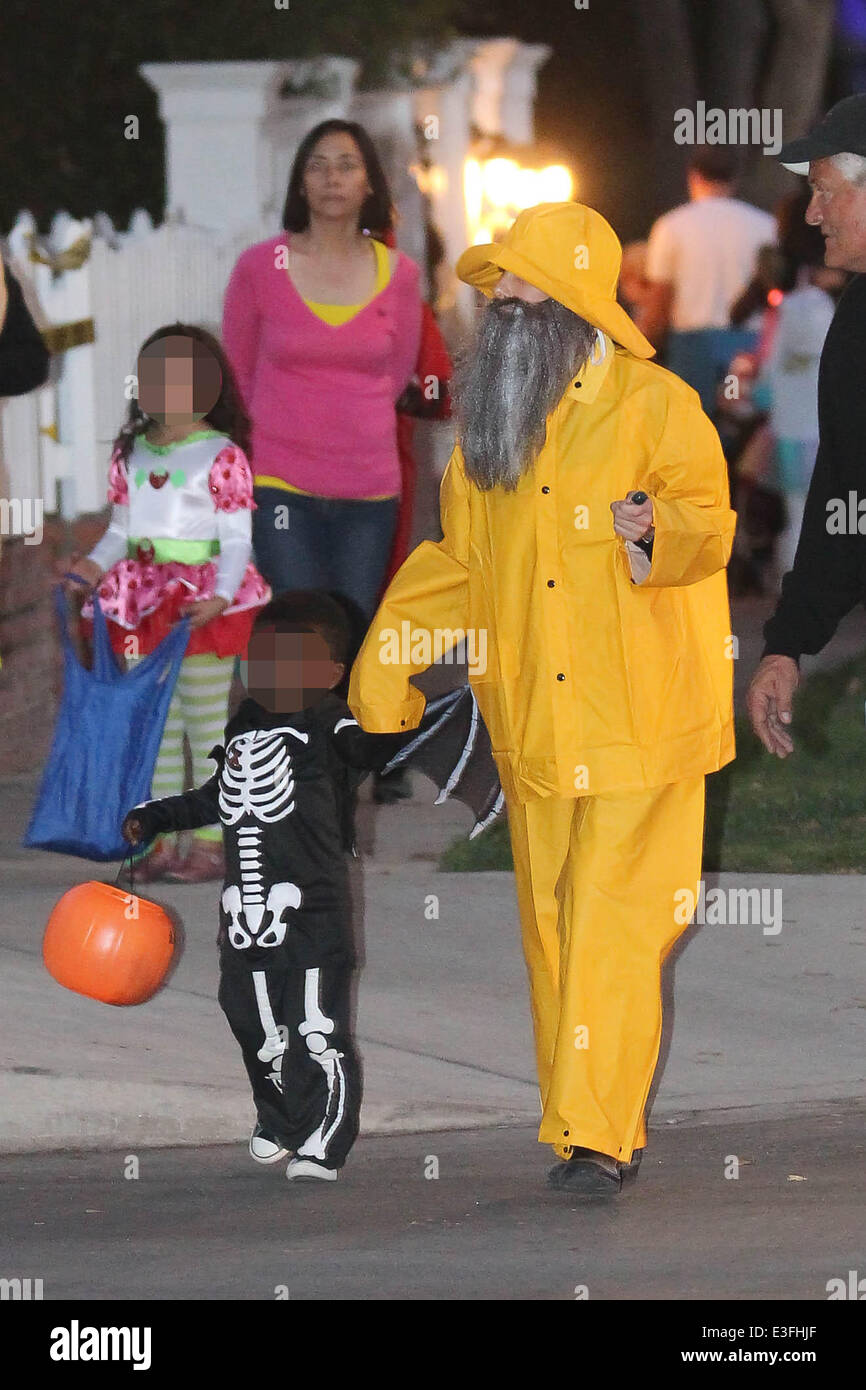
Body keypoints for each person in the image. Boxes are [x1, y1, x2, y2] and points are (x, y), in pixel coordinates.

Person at [348, 201, 736, 1194]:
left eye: (519, 285)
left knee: (610, 922)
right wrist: (385, 670)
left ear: (570, 299)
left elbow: (710, 525)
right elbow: (458, 566)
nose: (501, 303)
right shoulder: (487, 431)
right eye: (495, 287)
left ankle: (595, 1130)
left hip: (642, 723)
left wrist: (655, 528)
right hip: (534, 725)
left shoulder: (654, 405)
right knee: (554, 926)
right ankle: (578, 1120)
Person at [120, 589, 436, 1181]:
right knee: (250, 1016)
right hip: (242, 913)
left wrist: (402, 707)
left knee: (317, 1027)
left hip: (312, 907)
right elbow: (217, 796)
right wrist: (157, 817)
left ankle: (326, 1138)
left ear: (330, 672)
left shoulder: (330, 718)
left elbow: (370, 749)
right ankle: (281, 1118)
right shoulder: (246, 722)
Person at [222, 119, 423, 804]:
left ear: (369, 181)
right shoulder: (259, 268)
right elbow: (240, 373)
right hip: (282, 479)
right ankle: (301, 774)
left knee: (355, 628)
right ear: (299, 181)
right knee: (301, 621)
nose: (332, 178)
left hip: (369, 485)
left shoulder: (399, 274)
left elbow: (397, 376)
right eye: (318, 165)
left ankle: (338, 764)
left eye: (346, 165)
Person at [60, 324, 270, 883]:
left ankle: (208, 839)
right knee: (153, 726)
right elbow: (121, 531)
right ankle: (157, 835)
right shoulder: (130, 451)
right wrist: (91, 568)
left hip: (200, 607)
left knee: (205, 729)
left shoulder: (222, 454)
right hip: (142, 604)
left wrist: (221, 596)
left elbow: (236, 539)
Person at [747, 94, 866, 758]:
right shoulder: (853, 319)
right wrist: (787, 644)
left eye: (825, 193)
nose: (812, 214)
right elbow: (842, 489)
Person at [640, 146, 776, 415]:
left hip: (692, 347)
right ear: (736, 178)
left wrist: (639, 345)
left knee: (693, 427)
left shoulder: (671, 226)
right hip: (748, 345)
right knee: (742, 427)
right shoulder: (765, 225)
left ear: (693, 176)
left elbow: (660, 301)